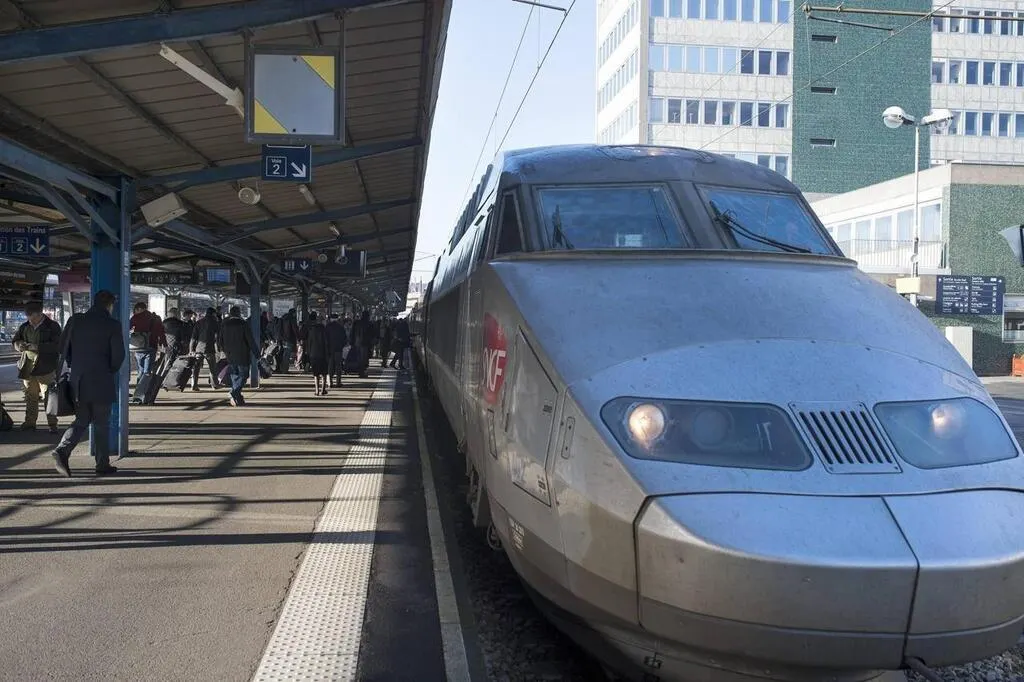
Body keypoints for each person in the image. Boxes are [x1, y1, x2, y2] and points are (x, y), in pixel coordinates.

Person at [52, 289, 126, 477]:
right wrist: (109, 370)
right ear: (110, 305)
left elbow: (62, 348)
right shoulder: (112, 325)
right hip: (101, 380)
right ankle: (102, 464)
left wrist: (74, 365)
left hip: (77, 381)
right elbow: (118, 356)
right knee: (102, 423)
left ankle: (62, 450)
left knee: (82, 420)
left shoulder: (75, 320)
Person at [11, 301, 62, 433]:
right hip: (28, 366)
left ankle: (53, 424)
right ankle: (30, 423)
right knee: (30, 396)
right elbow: (15, 340)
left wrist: (38, 347)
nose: (31, 321)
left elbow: (58, 346)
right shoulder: (24, 326)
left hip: (46, 367)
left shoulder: (52, 326)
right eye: (28, 318)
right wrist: (19, 345)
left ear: (40, 314)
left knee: (49, 396)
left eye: (33, 318)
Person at [217, 305, 257, 407]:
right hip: (242, 354)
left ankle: (237, 398)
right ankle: (234, 392)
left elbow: (219, 339)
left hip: (229, 354)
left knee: (234, 375)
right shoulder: (243, 324)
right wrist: (257, 353)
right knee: (244, 375)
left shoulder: (224, 324)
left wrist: (221, 349)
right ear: (239, 313)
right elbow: (250, 340)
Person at [128, 301, 165, 380]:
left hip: (139, 347)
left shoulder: (135, 317)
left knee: (140, 370)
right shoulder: (156, 318)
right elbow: (161, 332)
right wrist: (164, 344)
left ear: (139, 309)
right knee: (147, 372)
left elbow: (127, 328)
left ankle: (139, 389)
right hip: (152, 346)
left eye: (136, 310)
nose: (135, 312)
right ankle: (143, 390)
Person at [190, 307, 220, 391]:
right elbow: (218, 335)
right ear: (213, 314)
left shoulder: (199, 322)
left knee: (196, 368)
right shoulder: (215, 322)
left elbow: (193, 337)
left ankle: (194, 385)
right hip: (209, 349)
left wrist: (191, 349)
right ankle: (214, 385)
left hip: (198, 349)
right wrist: (219, 346)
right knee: (213, 368)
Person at [304, 312, 330, 396]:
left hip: (313, 355)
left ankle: (316, 390)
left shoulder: (311, 331)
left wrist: (308, 355)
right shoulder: (324, 331)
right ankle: (323, 390)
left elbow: (309, 344)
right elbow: (326, 343)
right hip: (323, 354)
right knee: (324, 373)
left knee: (316, 374)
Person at [326, 313, 347, 388]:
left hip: (330, 350)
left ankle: (330, 382)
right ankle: (338, 382)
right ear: (337, 319)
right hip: (338, 349)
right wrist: (341, 346)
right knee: (338, 366)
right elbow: (345, 339)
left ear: (331, 319)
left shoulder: (327, 327)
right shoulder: (340, 327)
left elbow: (325, 339)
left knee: (330, 366)